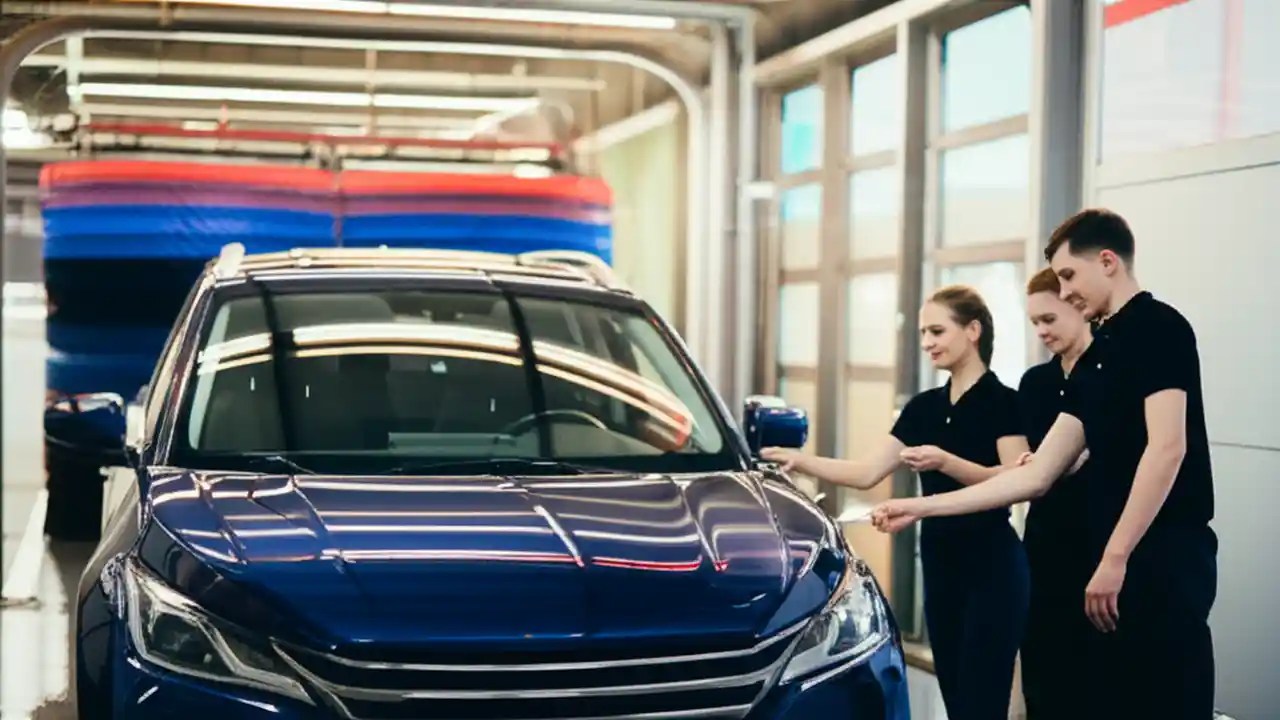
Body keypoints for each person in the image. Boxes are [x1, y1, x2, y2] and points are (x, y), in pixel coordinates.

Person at [872, 208, 1217, 720]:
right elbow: (1033, 474)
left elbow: (1167, 448)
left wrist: (1114, 557)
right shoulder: (1100, 355)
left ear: (1107, 262)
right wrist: (921, 507)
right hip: (1109, 570)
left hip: (1161, 561)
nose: (1066, 290)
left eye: (1069, 276)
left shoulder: (1159, 327)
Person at [763, 285, 1029, 720]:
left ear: (974, 330)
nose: (927, 342)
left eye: (937, 331)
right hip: (942, 564)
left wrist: (947, 461)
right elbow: (867, 472)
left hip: (993, 566)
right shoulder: (924, 409)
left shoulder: (1005, 403)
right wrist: (800, 461)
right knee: (959, 700)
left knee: (983, 701)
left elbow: (1016, 479)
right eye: (923, 332)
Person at [1016, 267, 1095, 720]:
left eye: (1050, 319)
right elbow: (1034, 465)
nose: (1042, 331)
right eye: (1035, 323)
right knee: (1044, 674)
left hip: (1099, 545)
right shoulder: (1035, 384)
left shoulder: (1109, 376)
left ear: (1077, 305)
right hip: (1047, 545)